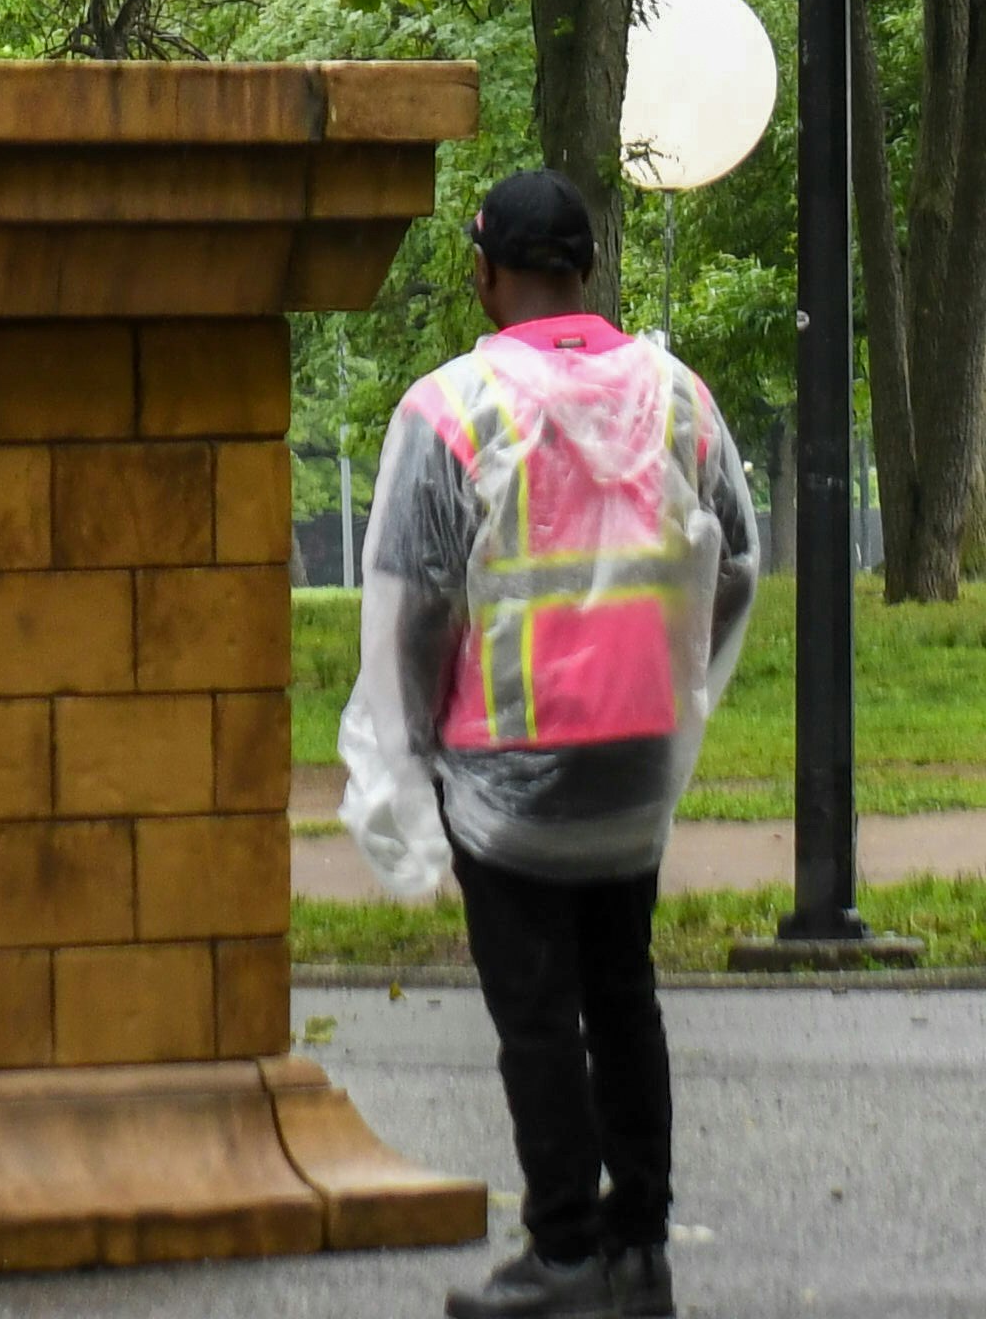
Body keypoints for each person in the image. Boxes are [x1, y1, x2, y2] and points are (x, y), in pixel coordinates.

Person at [339, 165, 759, 1319]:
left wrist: (413, 751)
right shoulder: (677, 393)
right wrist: (677, 680)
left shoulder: (450, 405)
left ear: (484, 274)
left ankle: (563, 1249)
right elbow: (737, 560)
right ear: (587, 266)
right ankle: (641, 1251)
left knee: (537, 1012)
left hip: (507, 772)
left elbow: (415, 599)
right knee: (625, 992)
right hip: (634, 759)